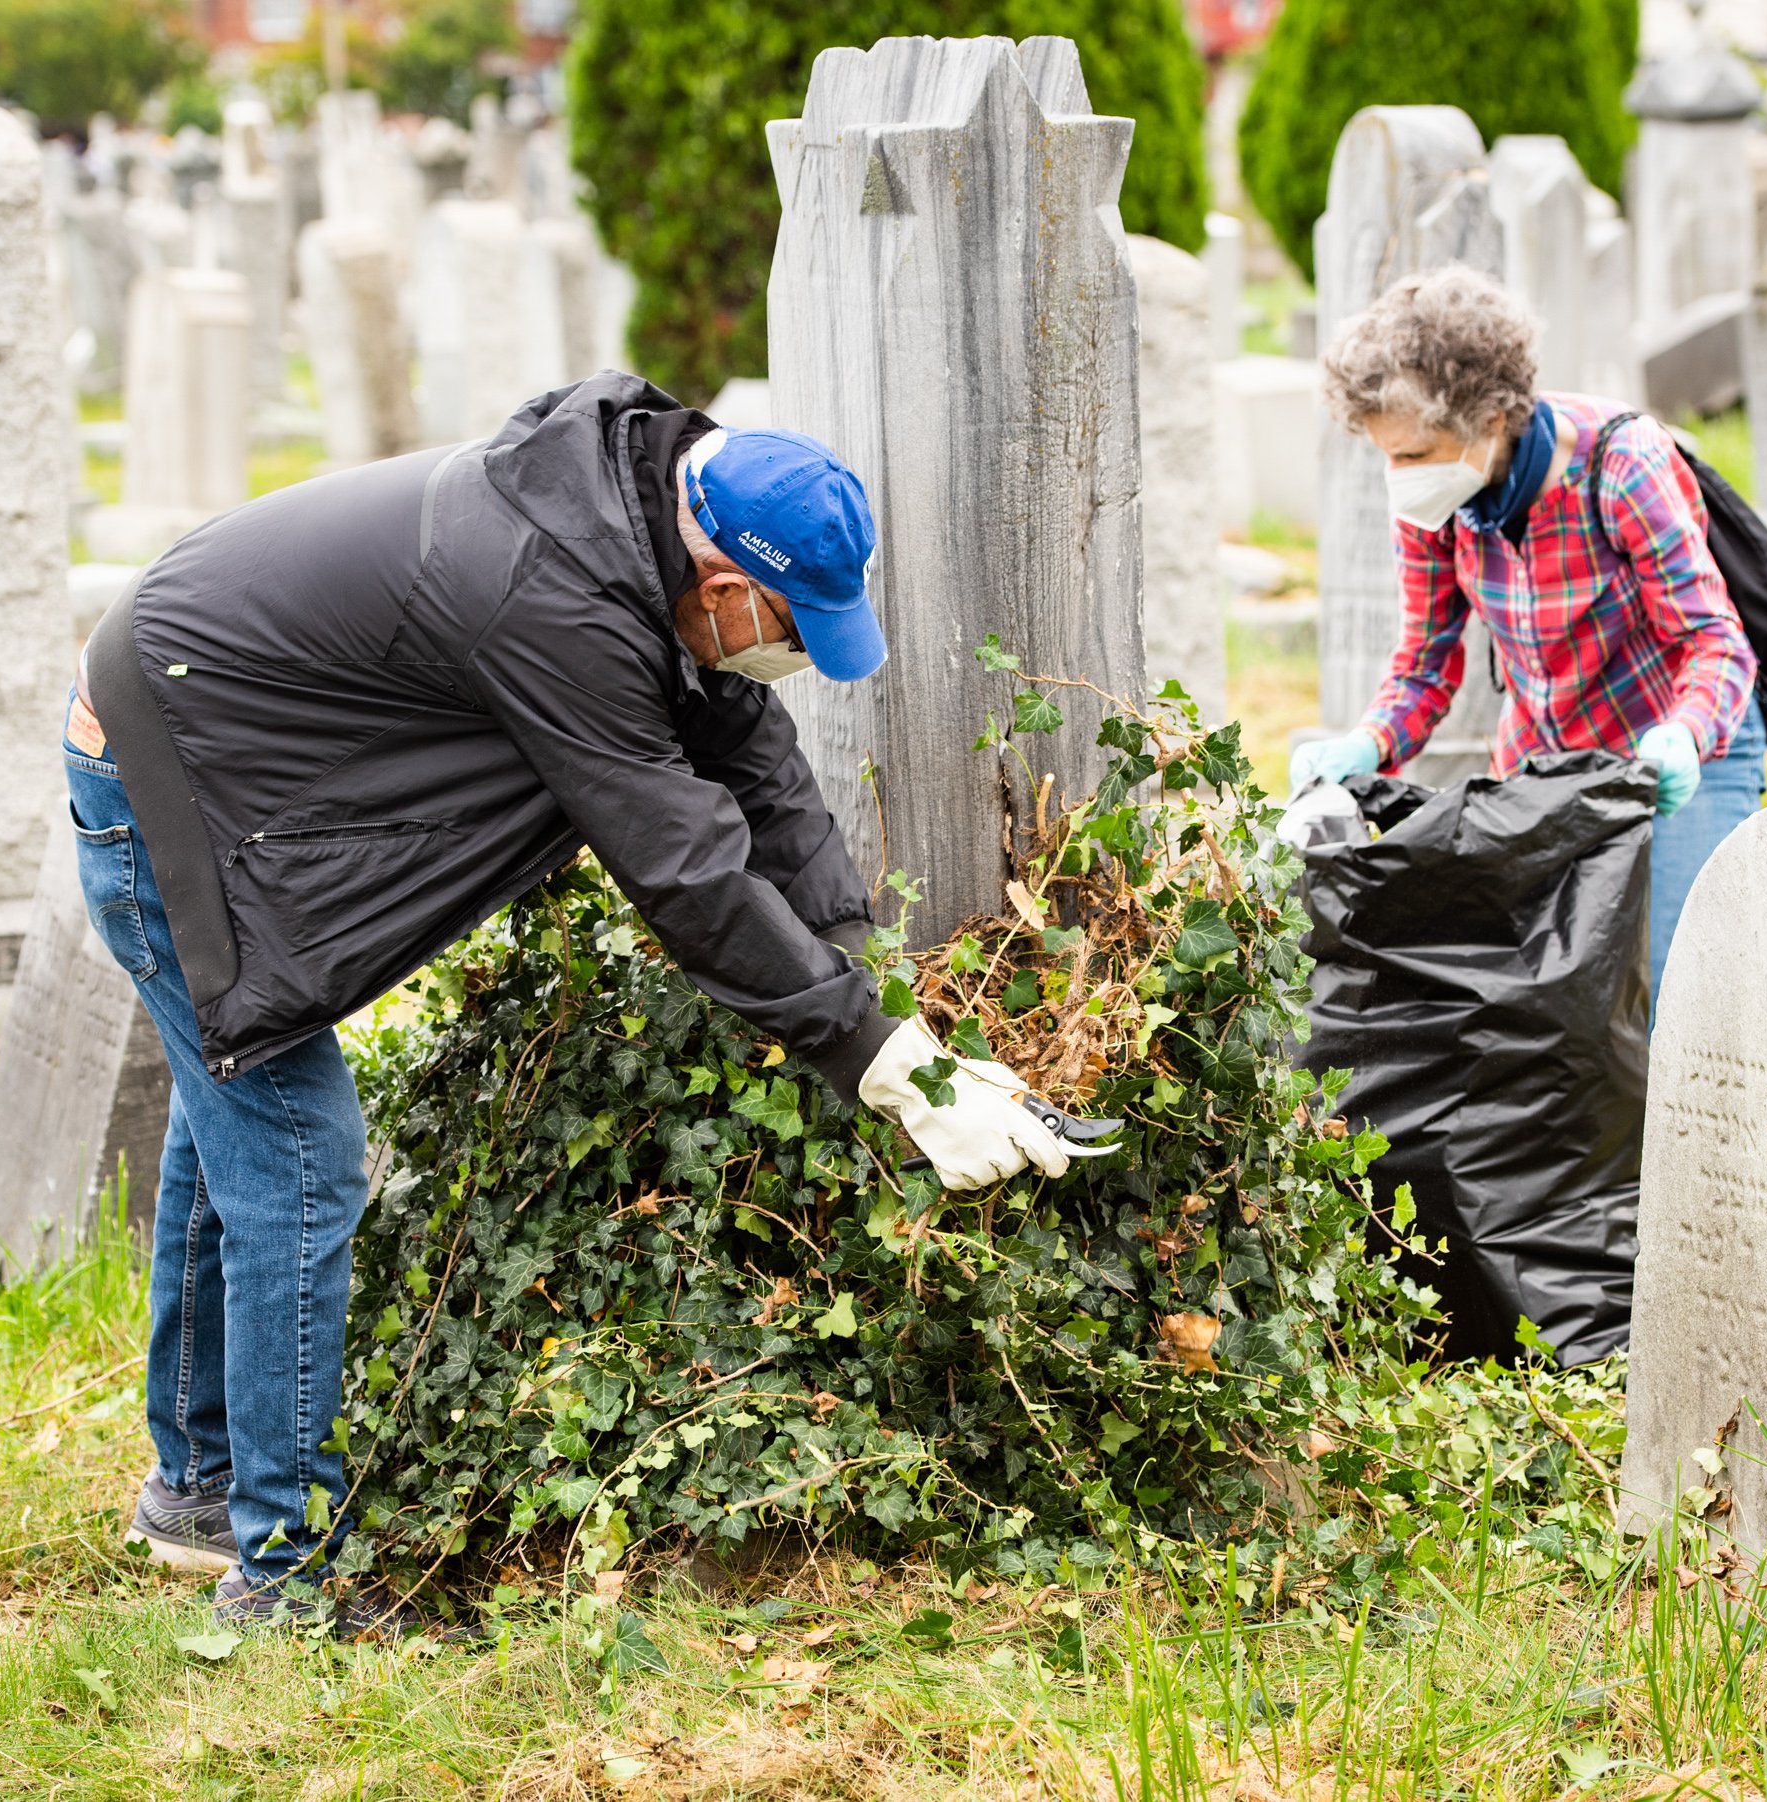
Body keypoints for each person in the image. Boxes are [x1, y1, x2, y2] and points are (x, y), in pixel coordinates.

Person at [65, 372, 1072, 1632]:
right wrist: (873, 1065)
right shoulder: (553, 593)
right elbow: (683, 867)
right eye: (791, 626)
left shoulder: (645, 523)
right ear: (720, 590)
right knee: (302, 1155)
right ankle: (285, 1572)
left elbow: (760, 777)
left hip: (219, 733)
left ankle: (201, 1487)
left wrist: (882, 998)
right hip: (173, 772)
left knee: (241, 1113)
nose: (799, 655)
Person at [1290, 268, 1762, 986]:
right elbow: (1425, 660)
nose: (1397, 475)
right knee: (1548, 998)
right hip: (1545, 764)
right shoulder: (1438, 503)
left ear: (1489, 420)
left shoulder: (1619, 466)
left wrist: (1685, 734)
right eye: (1386, 455)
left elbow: (1712, 640)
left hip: (1678, 749)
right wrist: (1371, 740)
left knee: (1668, 981)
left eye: (1412, 455)